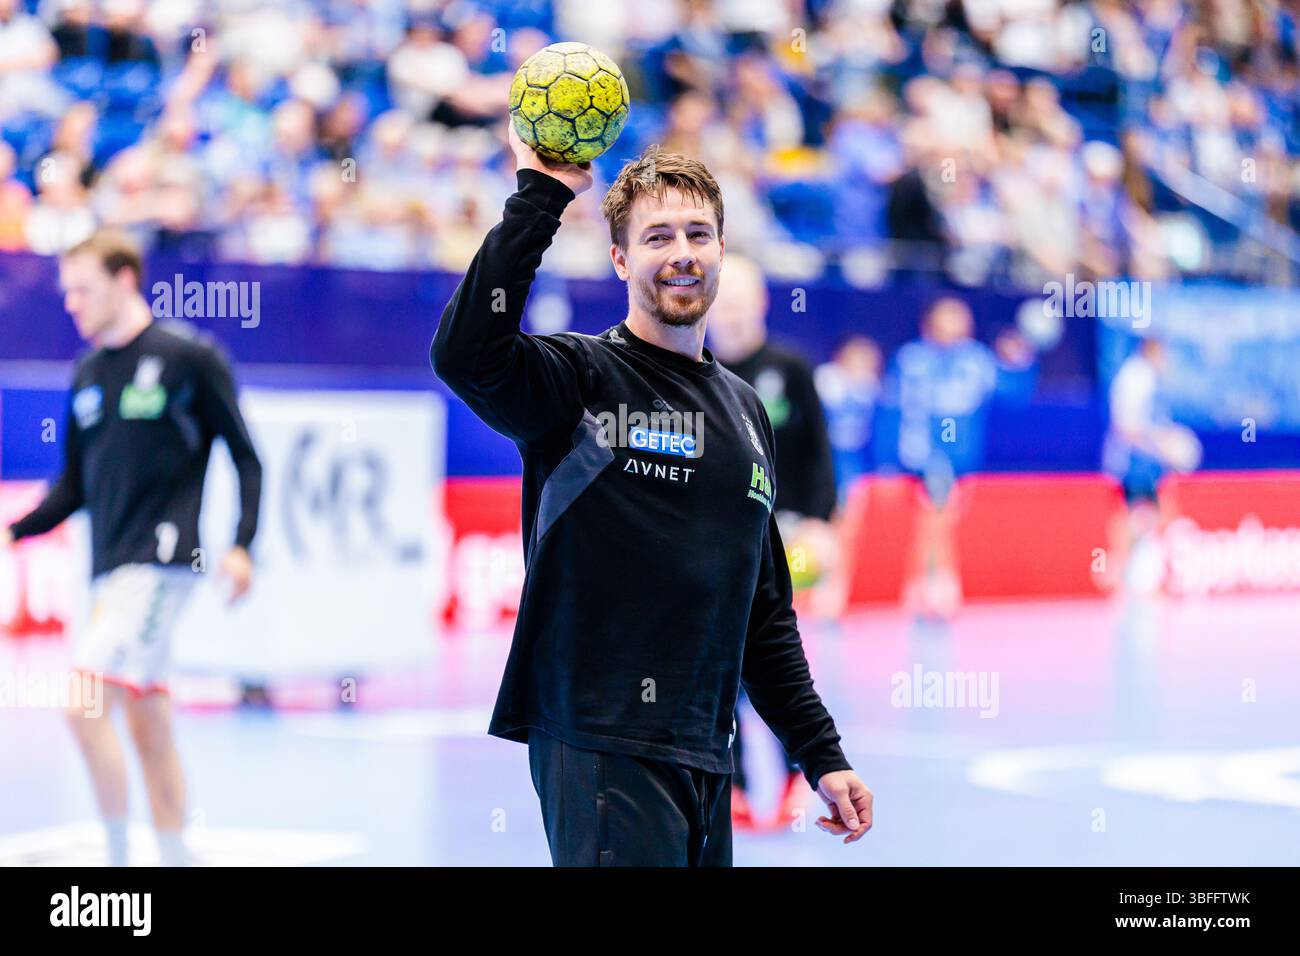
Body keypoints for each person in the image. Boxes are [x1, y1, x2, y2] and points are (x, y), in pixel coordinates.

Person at [431, 124, 873, 866]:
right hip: (601, 740)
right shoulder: (578, 381)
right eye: (658, 235)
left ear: (723, 253)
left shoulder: (745, 410)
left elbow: (762, 614)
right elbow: (465, 353)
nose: (682, 253)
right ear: (619, 258)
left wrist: (820, 753)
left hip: (705, 749)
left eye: (699, 233)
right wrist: (541, 197)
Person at [1, 230, 262, 866]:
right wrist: (11, 530)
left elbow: (246, 457)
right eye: (65, 291)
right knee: (147, 723)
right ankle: (176, 859)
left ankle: (117, 863)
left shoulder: (189, 358)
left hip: (163, 563)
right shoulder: (88, 374)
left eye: (82, 289)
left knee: (84, 702)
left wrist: (240, 545)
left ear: (123, 281)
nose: (70, 303)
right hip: (109, 570)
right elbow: (73, 487)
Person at [707, 253, 839, 832]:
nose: (730, 311)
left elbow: (819, 454)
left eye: (740, 299)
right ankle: (731, 781)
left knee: (773, 653)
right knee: (720, 663)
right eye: (722, 298)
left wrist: (820, 522)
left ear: (760, 303)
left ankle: (790, 775)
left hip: (784, 536)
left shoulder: (789, 368)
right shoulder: (693, 368)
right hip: (714, 540)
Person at [1102, 336, 1200, 594]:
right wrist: (1163, 447)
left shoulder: (1148, 379)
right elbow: (1127, 426)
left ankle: (1145, 572)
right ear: (1154, 352)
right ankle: (1121, 572)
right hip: (1133, 460)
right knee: (1131, 513)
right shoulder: (1136, 379)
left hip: (1145, 460)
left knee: (1155, 512)